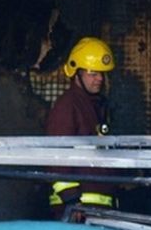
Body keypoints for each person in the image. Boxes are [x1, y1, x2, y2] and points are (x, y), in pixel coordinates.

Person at [46, 37, 117, 220]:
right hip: (76, 213)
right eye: (93, 73)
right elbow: (57, 158)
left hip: (96, 210)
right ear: (76, 72)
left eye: (102, 73)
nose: (100, 79)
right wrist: (71, 200)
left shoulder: (94, 106)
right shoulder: (67, 106)